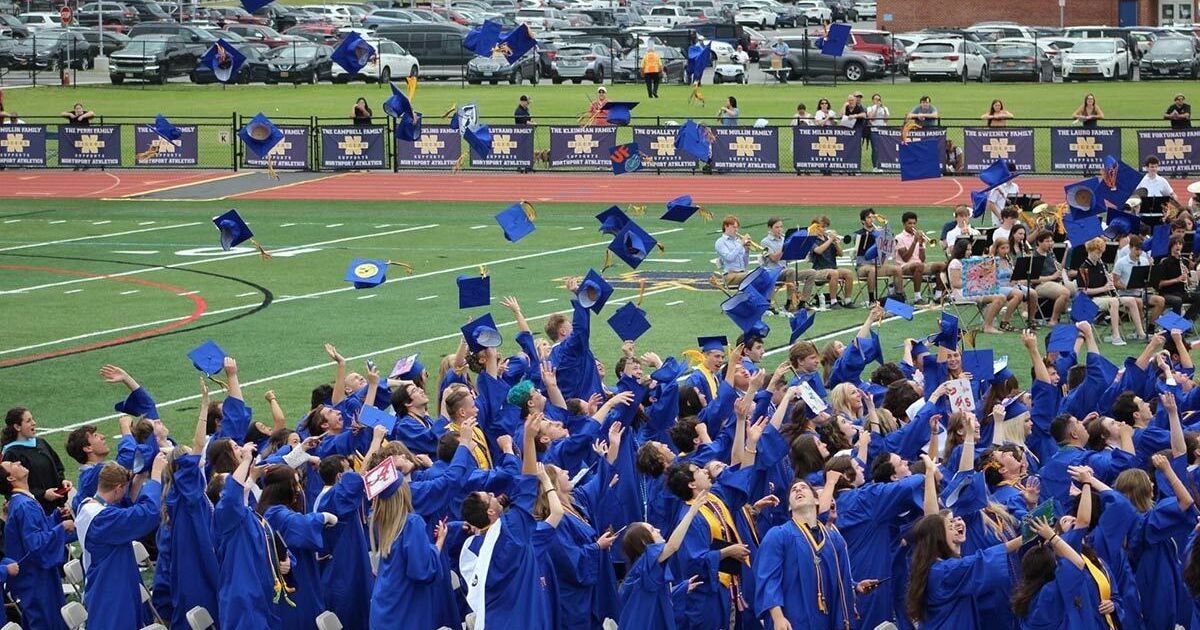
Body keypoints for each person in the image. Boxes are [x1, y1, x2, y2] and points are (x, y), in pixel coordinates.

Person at [76, 458, 166, 630]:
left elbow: (123, 509)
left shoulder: (88, 506)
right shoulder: (102, 520)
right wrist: (155, 479)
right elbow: (146, 514)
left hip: (110, 584)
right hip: (111, 592)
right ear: (118, 489)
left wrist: (138, 479)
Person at [1077, 236, 1145, 344]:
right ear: (1090, 251)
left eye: (1101, 253)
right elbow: (1083, 291)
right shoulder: (1083, 268)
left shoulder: (1101, 265)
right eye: (1097, 252)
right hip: (1091, 299)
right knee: (1113, 301)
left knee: (1131, 300)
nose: (1099, 255)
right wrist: (1104, 288)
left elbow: (1108, 284)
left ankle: (1141, 334)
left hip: (1105, 297)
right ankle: (1115, 336)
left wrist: (1109, 282)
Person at [2, 407, 69, 514]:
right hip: (35, 510)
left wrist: (62, 482)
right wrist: (43, 494)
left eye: (32, 419)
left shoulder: (41, 443)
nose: (34, 423)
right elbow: (10, 488)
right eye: (28, 421)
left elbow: (57, 467)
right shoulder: (11, 453)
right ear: (17, 427)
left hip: (58, 507)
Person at [946, 237, 1008, 334]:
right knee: (999, 297)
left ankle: (987, 322)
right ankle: (988, 326)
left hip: (970, 291)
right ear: (961, 250)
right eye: (967, 250)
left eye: (970, 249)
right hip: (961, 293)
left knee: (1001, 295)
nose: (970, 252)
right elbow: (956, 284)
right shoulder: (955, 263)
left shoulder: (966, 262)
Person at [760, 217, 813, 311]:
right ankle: (790, 302)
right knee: (791, 271)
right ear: (770, 228)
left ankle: (802, 302)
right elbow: (774, 259)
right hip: (774, 273)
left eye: (781, 227)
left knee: (811, 272)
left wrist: (800, 249)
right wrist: (785, 246)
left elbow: (789, 258)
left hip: (787, 272)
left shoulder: (784, 239)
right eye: (777, 227)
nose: (779, 229)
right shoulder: (765, 242)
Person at [1113, 234, 1167, 323]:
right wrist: (1128, 286)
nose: (1139, 252)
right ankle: (1140, 329)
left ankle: (1151, 326)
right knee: (1138, 302)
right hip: (1126, 294)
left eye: (1141, 250)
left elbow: (1148, 279)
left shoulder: (1144, 260)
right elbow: (1115, 282)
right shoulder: (1121, 262)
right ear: (1130, 248)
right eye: (1136, 250)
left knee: (1160, 300)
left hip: (1141, 293)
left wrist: (1151, 270)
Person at [854, 208, 905, 303]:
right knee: (872, 270)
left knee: (897, 269)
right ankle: (872, 299)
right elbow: (860, 250)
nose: (872, 220)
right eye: (869, 217)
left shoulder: (879, 232)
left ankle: (899, 296)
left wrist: (884, 235)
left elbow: (890, 243)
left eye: (873, 217)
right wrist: (874, 235)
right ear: (863, 221)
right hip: (863, 266)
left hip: (878, 265)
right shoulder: (858, 234)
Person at [893, 211, 940, 305]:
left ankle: (938, 295)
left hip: (919, 265)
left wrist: (921, 244)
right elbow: (905, 258)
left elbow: (922, 259)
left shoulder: (918, 237)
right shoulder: (899, 238)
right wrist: (914, 242)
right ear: (904, 224)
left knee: (941, 265)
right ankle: (917, 297)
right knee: (919, 265)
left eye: (914, 223)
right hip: (904, 266)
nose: (912, 226)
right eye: (909, 223)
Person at [809, 214, 856, 308]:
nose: (824, 229)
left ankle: (847, 300)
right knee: (834, 273)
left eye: (825, 227)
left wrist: (836, 243)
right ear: (815, 227)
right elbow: (818, 251)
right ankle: (833, 301)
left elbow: (841, 254)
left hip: (832, 268)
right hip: (818, 270)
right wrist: (830, 240)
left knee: (849, 273)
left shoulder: (827, 239)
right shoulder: (812, 240)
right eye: (822, 227)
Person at [1153, 234, 1200, 320]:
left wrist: (1187, 276)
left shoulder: (1184, 261)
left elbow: (1188, 284)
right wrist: (1176, 280)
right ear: (1171, 246)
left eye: (1180, 244)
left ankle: (1185, 322)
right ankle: (1172, 328)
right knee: (1177, 301)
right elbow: (1160, 284)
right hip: (1167, 293)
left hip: (1181, 292)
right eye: (1176, 244)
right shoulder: (1164, 262)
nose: (1178, 246)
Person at [715, 214, 752, 287]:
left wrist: (747, 251)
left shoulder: (737, 241)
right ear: (726, 226)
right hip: (730, 276)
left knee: (761, 274)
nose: (736, 230)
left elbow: (745, 265)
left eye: (737, 227)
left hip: (742, 273)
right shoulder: (720, 242)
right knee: (754, 277)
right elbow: (729, 258)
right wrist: (741, 243)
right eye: (733, 227)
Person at [986, 161, 1020, 226]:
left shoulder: (1015, 187)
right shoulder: (997, 186)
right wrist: (1000, 218)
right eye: (1009, 174)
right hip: (1000, 221)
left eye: (1013, 174)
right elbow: (991, 204)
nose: (1011, 176)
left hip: (1011, 219)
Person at [866, 93, 889, 169]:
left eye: (879, 99)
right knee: (875, 148)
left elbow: (886, 120)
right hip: (874, 130)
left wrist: (884, 110)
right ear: (873, 100)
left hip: (883, 131)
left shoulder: (884, 108)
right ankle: (875, 166)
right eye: (875, 99)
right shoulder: (870, 108)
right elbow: (871, 118)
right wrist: (876, 108)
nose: (877, 101)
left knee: (883, 148)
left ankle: (882, 165)